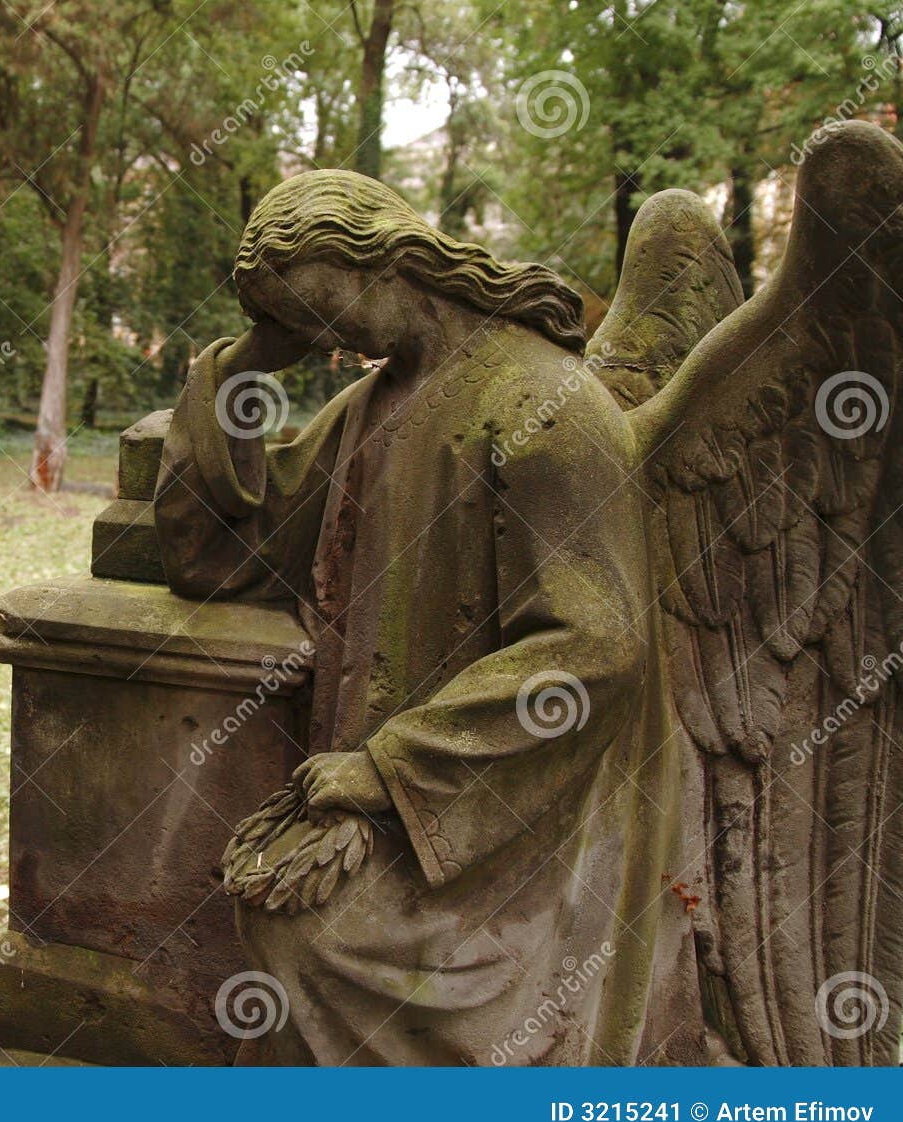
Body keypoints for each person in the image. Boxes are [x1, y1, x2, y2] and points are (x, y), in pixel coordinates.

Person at [154, 169, 704, 1065]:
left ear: (390, 259)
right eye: (303, 326)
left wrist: (387, 769)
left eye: (324, 314)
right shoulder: (376, 402)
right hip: (406, 805)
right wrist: (241, 367)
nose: (322, 343)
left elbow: (598, 646)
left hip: (521, 829)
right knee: (285, 910)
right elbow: (221, 557)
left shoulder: (544, 407)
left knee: (312, 931)